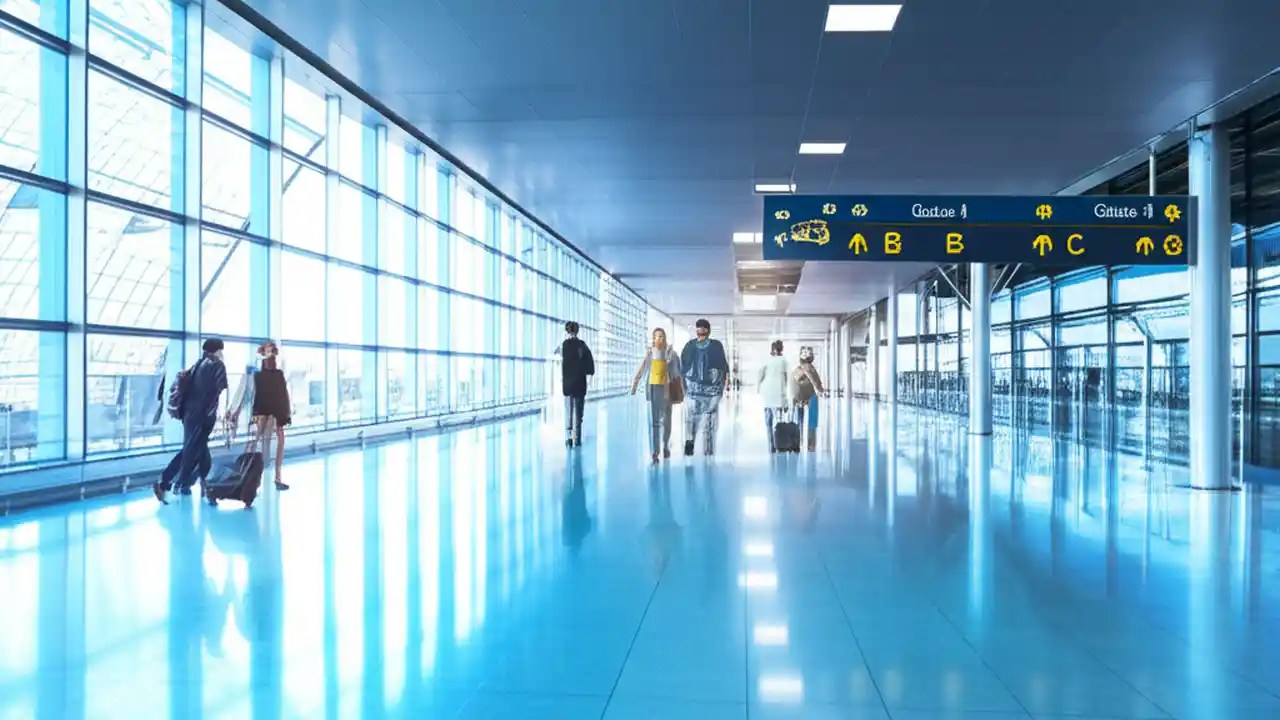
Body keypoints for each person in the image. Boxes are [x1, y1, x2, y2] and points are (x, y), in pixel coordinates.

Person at [154, 338, 228, 502]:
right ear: (217, 350)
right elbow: (220, 388)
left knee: (199, 449)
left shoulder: (197, 364)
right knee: (191, 450)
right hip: (203, 415)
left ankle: (201, 486)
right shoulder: (217, 364)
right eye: (221, 350)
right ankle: (166, 482)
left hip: (189, 414)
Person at [229, 341, 291, 491]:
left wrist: (286, 413)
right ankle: (243, 474)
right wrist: (235, 412)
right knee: (256, 440)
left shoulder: (278, 373)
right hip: (262, 409)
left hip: (277, 410)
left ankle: (277, 477)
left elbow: (284, 393)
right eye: (269, 350)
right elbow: (246, 393)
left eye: (273, 350)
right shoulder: (255, 374)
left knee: (279, 440)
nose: (272, 353)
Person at [630, 328, 683, 464]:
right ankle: (655, 451)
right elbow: (642, 369)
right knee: (653, 422)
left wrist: (683, 389)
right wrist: (634, 384)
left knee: (666, 420)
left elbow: (678, 373)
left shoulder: (672, 354)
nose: (659, 339)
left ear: (665, 339)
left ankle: (665, 445)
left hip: (667, 389)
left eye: (661, 336)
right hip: (653, 389)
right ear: (653, 339)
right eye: (656, 337)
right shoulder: (649, 354)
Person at [679, 318, 730, 456]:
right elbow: (682, 369)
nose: (700, 330)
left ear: (707, 330)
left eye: (703, 328)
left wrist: (722, 389)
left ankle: (708, 450)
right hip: (693, 391)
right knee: (691, 420)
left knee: (708, 422)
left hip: (711, 392)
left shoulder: (716, 346)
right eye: (698, 328)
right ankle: (690, 444)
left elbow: (724, 368)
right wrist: (684, 391)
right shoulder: (690, 346)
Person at [558, 321, 595, 447]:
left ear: (566, 331)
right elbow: (590, 365)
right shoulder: (582, 345)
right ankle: (577, 439)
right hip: (579, 383)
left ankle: (568, 439)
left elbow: (556, 355)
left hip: (567, 384)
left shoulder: (564, 345)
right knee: (578, 414)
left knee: (568, 412)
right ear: (577, 331)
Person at [757, 340, 790, 453]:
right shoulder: (784, 361)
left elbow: (760, 375)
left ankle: (771, 445)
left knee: (768, 421)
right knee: (779, 421)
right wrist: (786, 398)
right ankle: (779, 443)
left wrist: (758, 388)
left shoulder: (767, 361)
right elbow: (786, 379)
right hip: (779, 393)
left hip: (767, 393)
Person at [792, 346, 826, 452]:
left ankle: (797, 441)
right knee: (812, 420)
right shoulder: (810, 368)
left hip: (798, 397)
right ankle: (811, 445)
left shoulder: (797, 369)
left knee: (799, 420)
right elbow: (816, 381)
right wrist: (820, 390)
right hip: (811, 396)